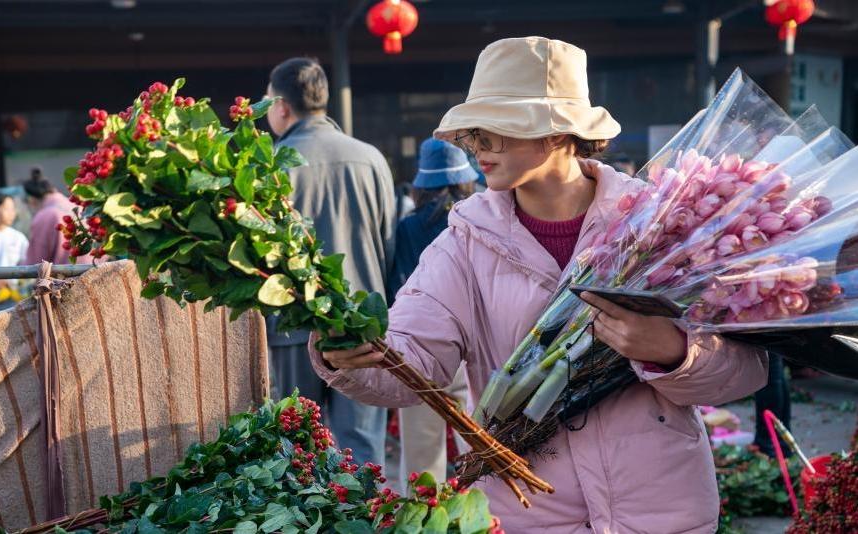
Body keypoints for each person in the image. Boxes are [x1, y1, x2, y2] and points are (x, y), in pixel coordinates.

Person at [311, 37, 767, 532]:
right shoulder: (464, 245)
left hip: (664, 507)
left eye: (494, 129)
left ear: (554, 133)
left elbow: (744, 371)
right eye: (473, 133)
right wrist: (347, 352)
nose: (477, 146)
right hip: (526, 510)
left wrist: (674, 350)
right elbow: (413, 357)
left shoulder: (660, 225)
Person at [264, 57, 397, 467]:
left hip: (291, 328)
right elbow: (387, 245)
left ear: (282, 106)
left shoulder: (270, 166)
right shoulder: (370, 158)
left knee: (297, 448)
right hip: (361, 323)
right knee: (362, 449)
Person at [387, 138, 478, 490]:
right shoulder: (476, 217)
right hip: (473, 348)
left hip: (419, 350)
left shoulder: (409, 226)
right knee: (482, 447)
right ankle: (485, 521)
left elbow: (398, 283)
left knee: (423, 458)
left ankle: (424, 521)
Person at [23, 168, 91, 265]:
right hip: (96, 274)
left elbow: (35, 263)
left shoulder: (44, 216)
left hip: (63, 278)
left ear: (31, 200)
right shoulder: (81, 207)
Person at [0, 192, 30, 312]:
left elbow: (28, 264)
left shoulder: (18, 237)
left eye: (13, 209)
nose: (13, 213)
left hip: (15, 297)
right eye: (8, 209)